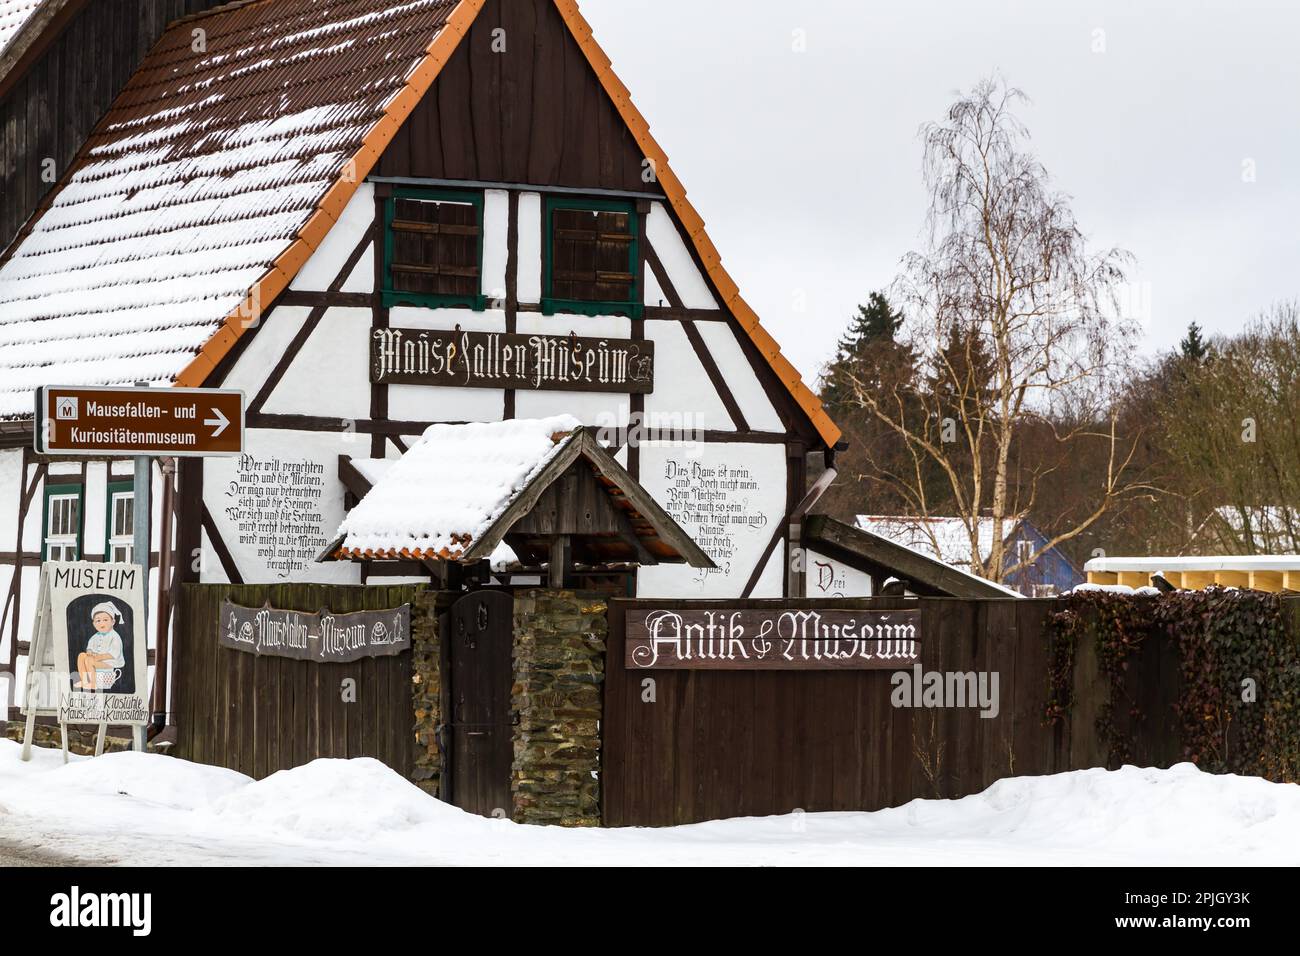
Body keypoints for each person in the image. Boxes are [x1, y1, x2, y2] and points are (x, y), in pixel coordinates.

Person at [74, 601, 126, 691]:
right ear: (94, 623)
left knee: (89, 660)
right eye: (98, 620)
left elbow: (113, 654)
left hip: (109, 663)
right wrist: (89, 652)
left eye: (105, 620)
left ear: (113, 621)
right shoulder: (95, 636)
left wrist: (97, 657)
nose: (102, 623)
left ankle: (93, 684)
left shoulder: (115, 637)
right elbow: (89, 648)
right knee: (82, 656)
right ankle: (85, 681)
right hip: (96, 659)